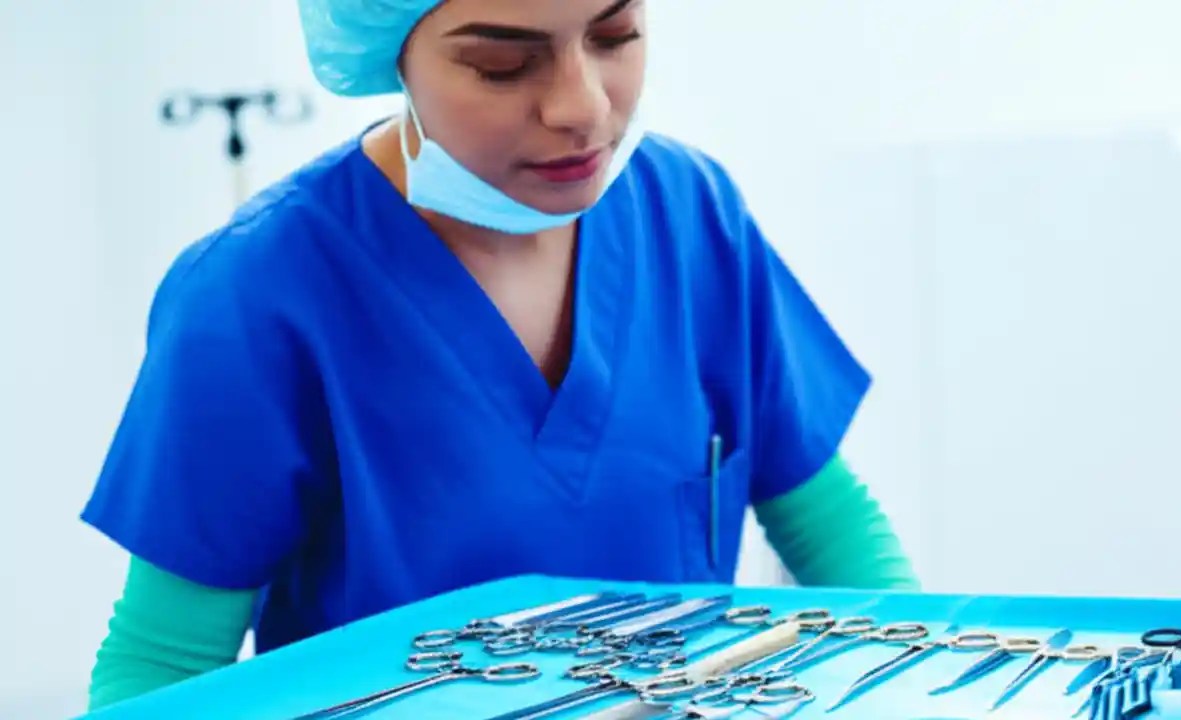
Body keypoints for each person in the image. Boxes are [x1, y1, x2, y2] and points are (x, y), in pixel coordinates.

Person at [80, 0, 919, 710]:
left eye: (614, 35)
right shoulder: (261, 291)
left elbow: (826, 519)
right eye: (501, 64)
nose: (582, 107)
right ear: (393, 56)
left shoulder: (687, 212)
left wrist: (917, 682)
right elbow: (164, 669)